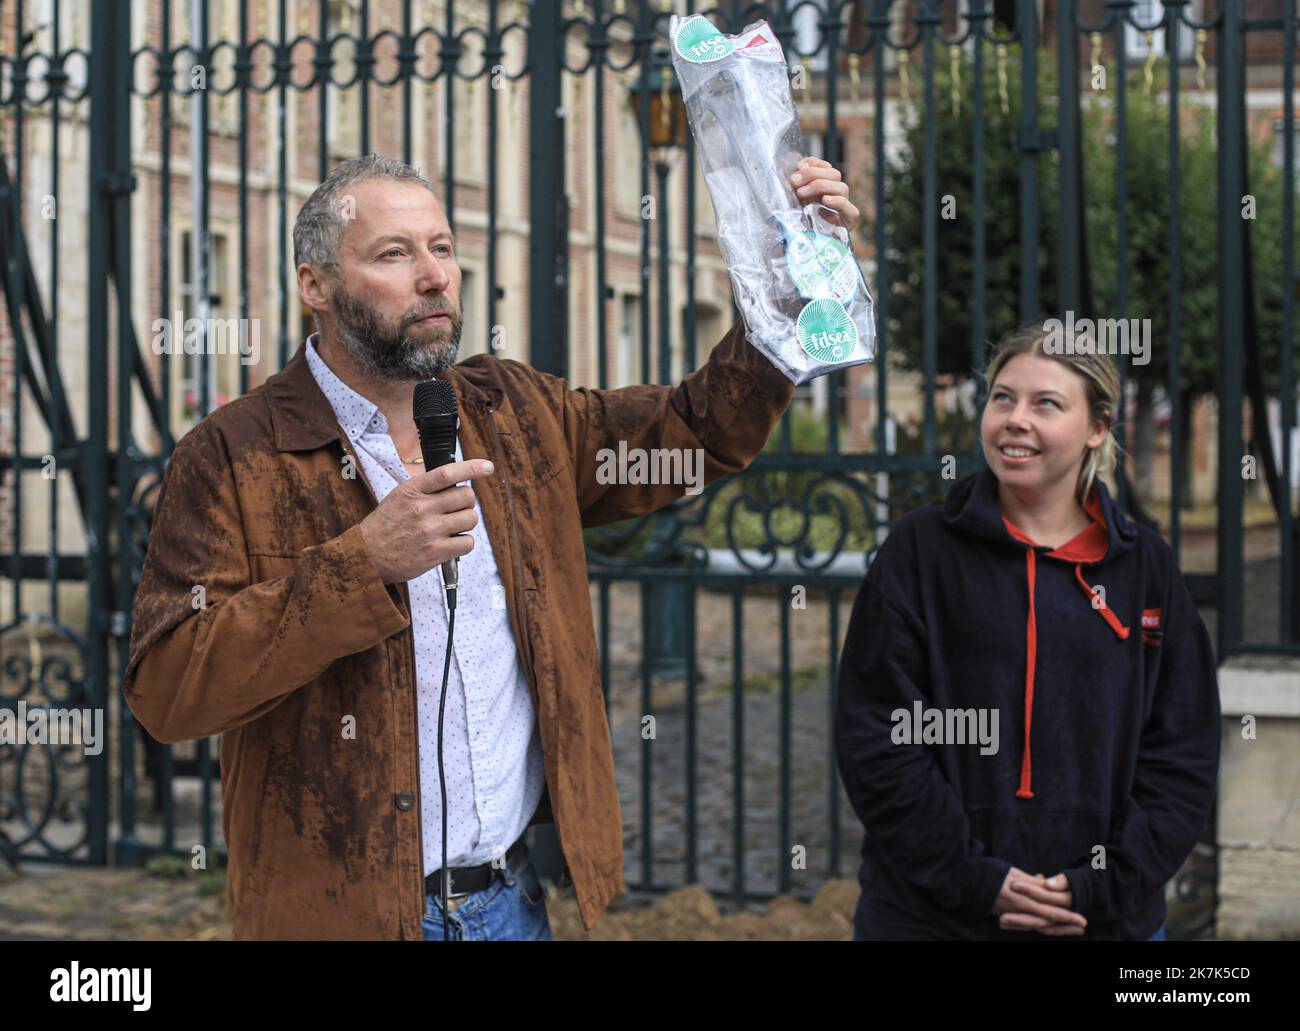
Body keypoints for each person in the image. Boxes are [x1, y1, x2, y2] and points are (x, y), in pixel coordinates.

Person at [124, 151, 858, 940]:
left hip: (509, 904)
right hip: (340, 916)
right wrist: (361, 565)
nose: (435, 275)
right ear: (316, 286)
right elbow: (168, 686)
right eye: (394, 254)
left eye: (441, 247)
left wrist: (785, 283)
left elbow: (695, 432)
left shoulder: (513, 414)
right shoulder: (235, 454)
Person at [835, 321, 1221, 940]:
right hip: (930, 921)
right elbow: (877, 740)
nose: (1016, 418)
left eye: (1046, 403)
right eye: (1002, 398)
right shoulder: (918, 553)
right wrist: (974, 879)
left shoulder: (1146, 568)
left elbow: (1182, 754)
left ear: (1098, 427)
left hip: (1104, 924)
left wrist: (1103, 886)